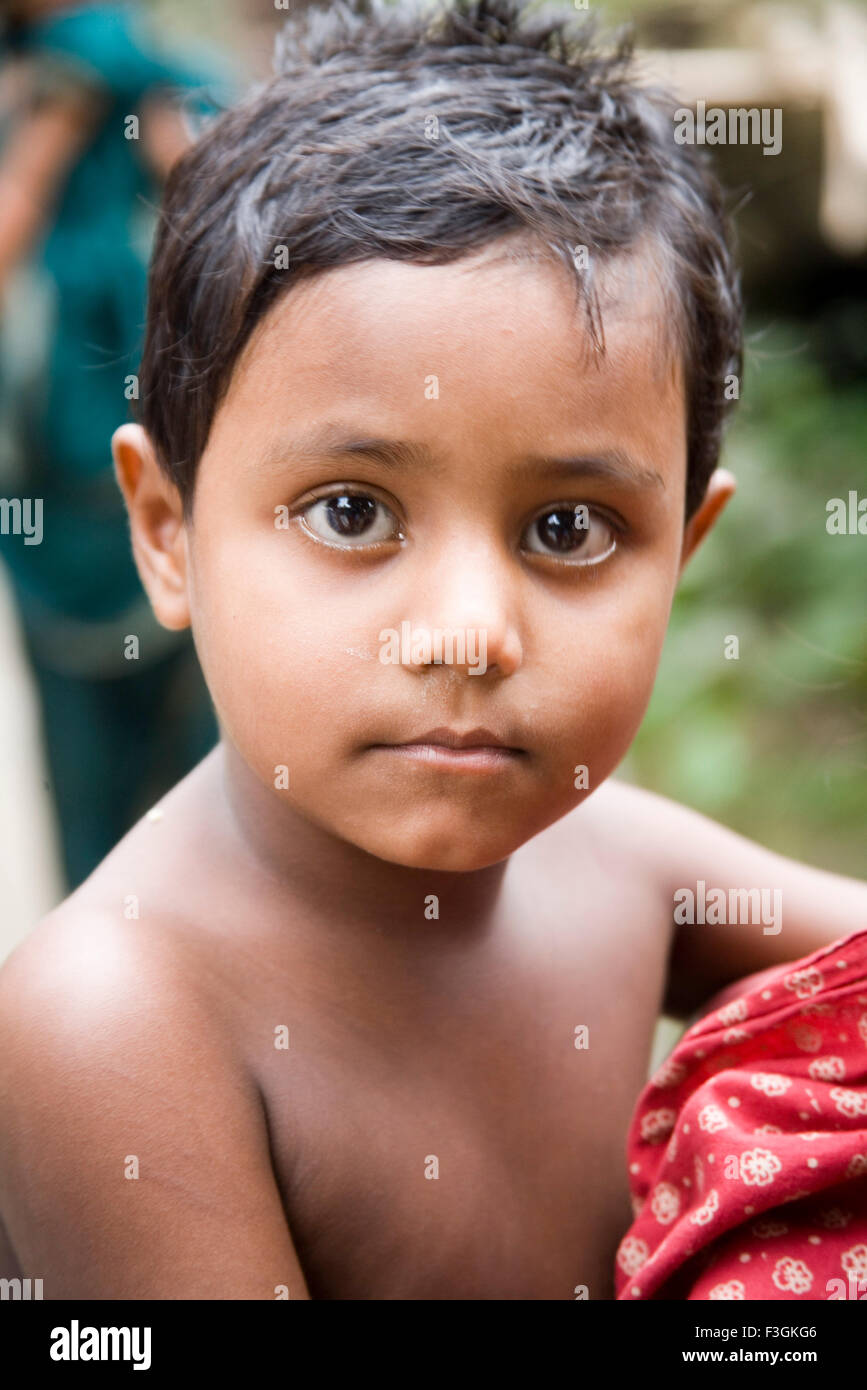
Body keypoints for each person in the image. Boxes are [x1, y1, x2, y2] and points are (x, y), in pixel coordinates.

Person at [0, 0, 864, 1300]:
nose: (468, 631)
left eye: (567, 527)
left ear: (679, 552)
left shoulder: (623, 865)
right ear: (168, 533)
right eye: (349, 512)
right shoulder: (114, 1021)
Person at [0, 0, 221, 888]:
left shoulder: (133, 70)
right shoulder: (49, 86)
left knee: (188, 783)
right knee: (105, 781)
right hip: (63, 510)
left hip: (159, 487)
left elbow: (231, 216)